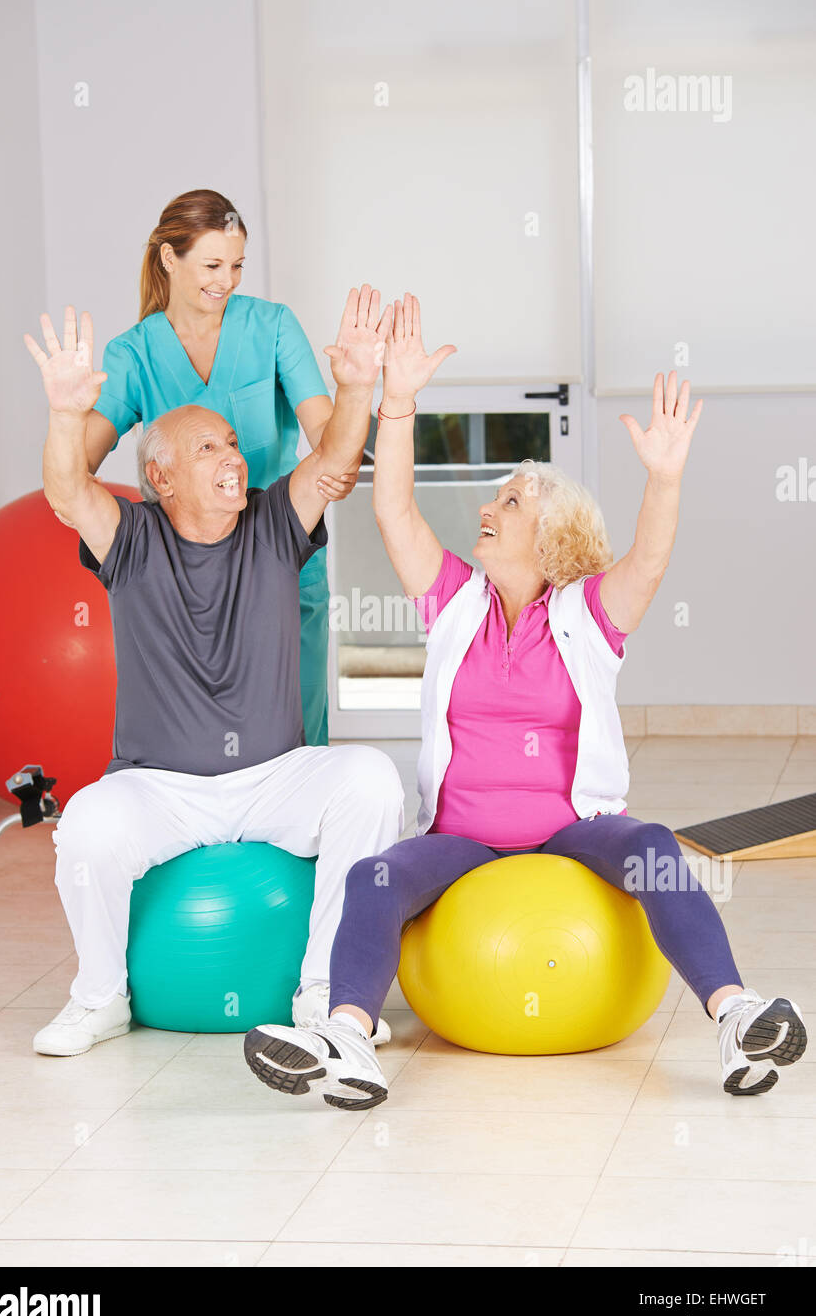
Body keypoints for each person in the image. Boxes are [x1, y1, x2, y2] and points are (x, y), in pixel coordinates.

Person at [244, 292, 808, 1109]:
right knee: (373, 875)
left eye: (509, 501)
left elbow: (648, 560)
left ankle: (733, 1014)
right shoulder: (452, 603)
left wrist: (664, 478)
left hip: (572, 830)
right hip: (462, 837)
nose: (486, 507)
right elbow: (392, 507)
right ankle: (346, 1037)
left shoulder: (587, 616)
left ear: (551, 538)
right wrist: (395, 403)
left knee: (653, 842)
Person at [22, 288, 404, 1057]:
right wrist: (67, 413)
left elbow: (332, 464)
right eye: (208, 449)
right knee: (87, 825)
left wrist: (357, 385)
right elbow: (66, 491)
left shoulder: (272, 521)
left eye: (232, 443)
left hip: (273, 778)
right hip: (159, 788)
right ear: (160, 478)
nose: (232, 458)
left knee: (372, 781)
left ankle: (328, 995)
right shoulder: (129, 537)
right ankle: (100, 998)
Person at [53, 187, 347, 746]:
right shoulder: (134, 354)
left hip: (281, 554)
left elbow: (328, 439)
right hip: (183, 573)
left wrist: (355, 395)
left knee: (297, 730)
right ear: (170, 257)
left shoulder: (274, 327)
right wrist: (65, 412)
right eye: (212, 264)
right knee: (190, 735)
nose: (228, 279)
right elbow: (74, 474)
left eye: (237, 265)